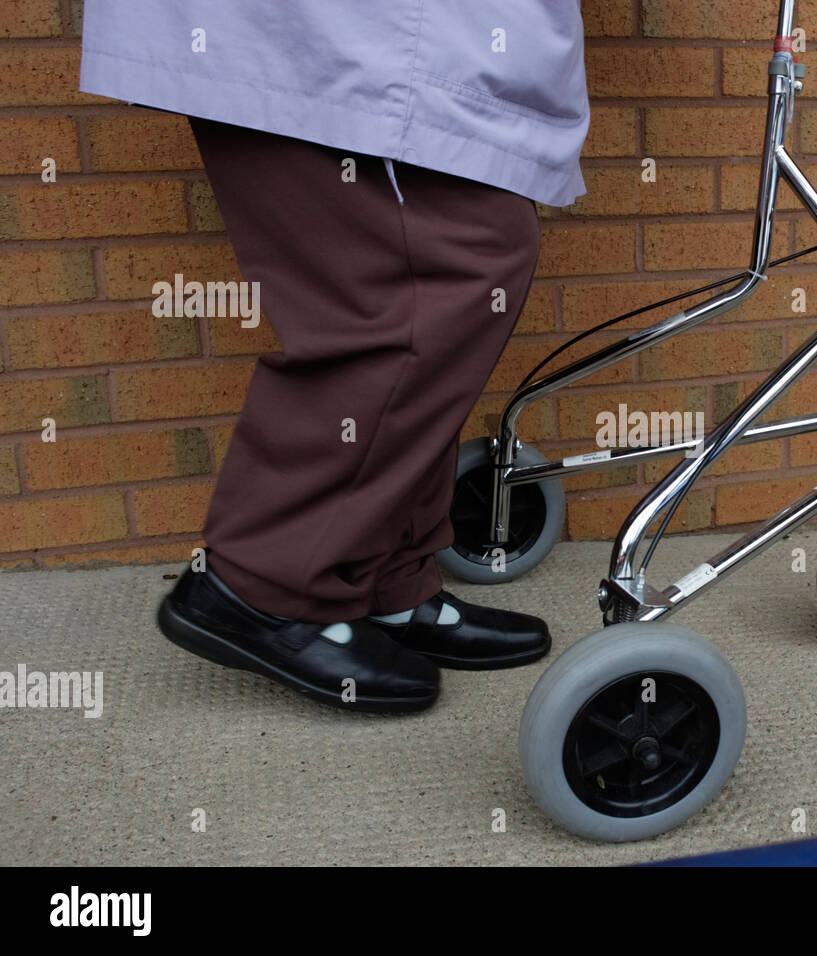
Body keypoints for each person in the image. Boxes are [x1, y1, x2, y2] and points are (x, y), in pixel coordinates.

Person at [79, 1, 590, 712]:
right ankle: (264, 585)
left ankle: (383, 583)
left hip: (395, 44)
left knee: (450, 277)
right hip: (336, 38)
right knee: (439, 274)